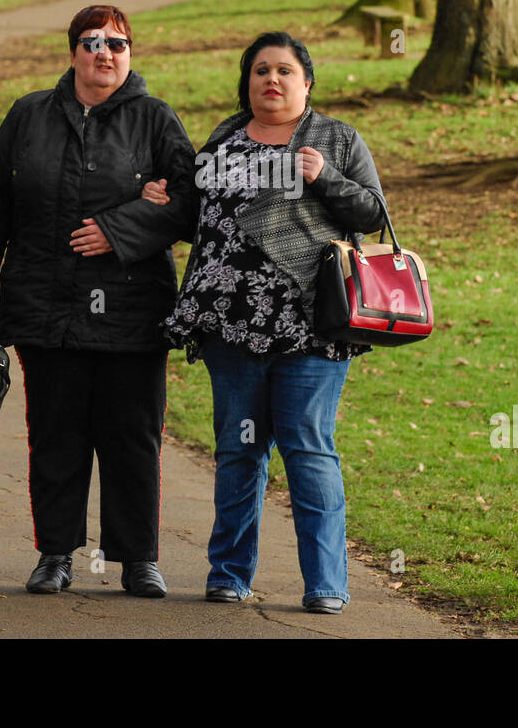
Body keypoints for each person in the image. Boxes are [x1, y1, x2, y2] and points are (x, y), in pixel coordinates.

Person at [0, 4, 194, 598]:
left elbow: (194, 205)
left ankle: (138, 559)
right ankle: (55, 553)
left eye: (117, 43)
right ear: (72, 52)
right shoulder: (28, 115)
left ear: (130, 53)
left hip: (133, 310)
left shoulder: (156, 121)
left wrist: (123, 227)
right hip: (45, 305)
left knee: (132, 435)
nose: (104, 53)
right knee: (55, 434)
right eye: (91, 42)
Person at [154, 31, 384, 614]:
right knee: (238, 449)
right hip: (229, 324)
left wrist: (324, 177)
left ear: (307, 82)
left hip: (312, 324)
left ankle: (326, 585)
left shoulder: (336, 138)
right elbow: (201, 222)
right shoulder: (225, 139)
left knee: (308, 449)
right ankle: (229, 574)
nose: (272, 80)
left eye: (285, 71)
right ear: (247, 82)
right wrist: (162, 196)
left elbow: (374, 215)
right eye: (260, 71)